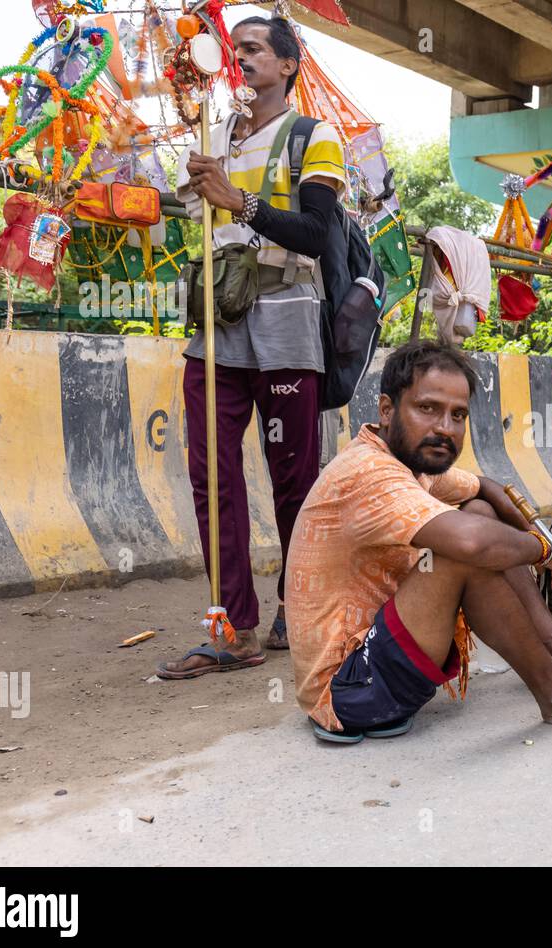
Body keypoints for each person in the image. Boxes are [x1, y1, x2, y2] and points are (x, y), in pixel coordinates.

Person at [285, 341, 552, 742]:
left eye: (458, 415)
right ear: (387, 411)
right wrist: (546, 551)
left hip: (379, 657)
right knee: (465, 548)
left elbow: (487, 488)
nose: (445, 428)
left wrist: (543, 539)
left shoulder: (408, 461)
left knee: (479, 515)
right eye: (427, 409)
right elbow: (472, 545)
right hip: (348, 690)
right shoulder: (368, 472)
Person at [158, 16, 344, 677]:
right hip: (218, 320)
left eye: (255, 49)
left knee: (293, 480)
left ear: (290, 64)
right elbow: (189, 222)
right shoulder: (215, 135)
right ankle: (231, 627)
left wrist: (239, 200)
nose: (241, 58)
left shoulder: (313, 136)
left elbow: (316, 234)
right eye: (235, 50)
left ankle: (301, 602)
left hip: (288, 320)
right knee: (211, 473)